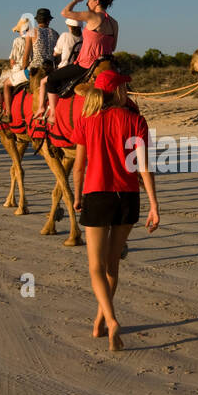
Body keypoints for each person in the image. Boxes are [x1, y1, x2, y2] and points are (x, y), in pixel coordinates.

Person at [69, 68, 159, 351]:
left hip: (96, 195)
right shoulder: (136, 120)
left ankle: (110, 318)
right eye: (124, 89)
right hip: (128, 198)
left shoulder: (86, 121)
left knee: (95, 266)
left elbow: (79, 166)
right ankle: (99, 323)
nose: (127, 93)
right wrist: (154, 205)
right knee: (112, 264)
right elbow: (143, 168)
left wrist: (76, 195)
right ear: (117, 91)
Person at [47, 0, 118, 119]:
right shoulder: (114, 23)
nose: (86, 3)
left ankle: (53, 114)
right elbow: (113, 47)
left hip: (88, 64)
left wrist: (75, 1)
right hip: (108, 63)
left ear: (96, 2)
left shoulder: (93, 16)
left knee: (51, 78)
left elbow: (65, 13)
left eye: (89, 0)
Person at [0, 16, 32, 122]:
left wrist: (13, 65)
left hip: (19, 68)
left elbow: (12, 60)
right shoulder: (35, 38)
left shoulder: (18, 40)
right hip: (32, 68)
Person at [26, 8, 61, 117]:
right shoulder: (55, 33)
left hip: (36, 69)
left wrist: (23, 68)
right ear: (49, 20)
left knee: (6, 83)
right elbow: (58, 57)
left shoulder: (31, 32)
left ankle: (6, 112)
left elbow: (26, 55)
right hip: (51, 69)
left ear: (37, 20)